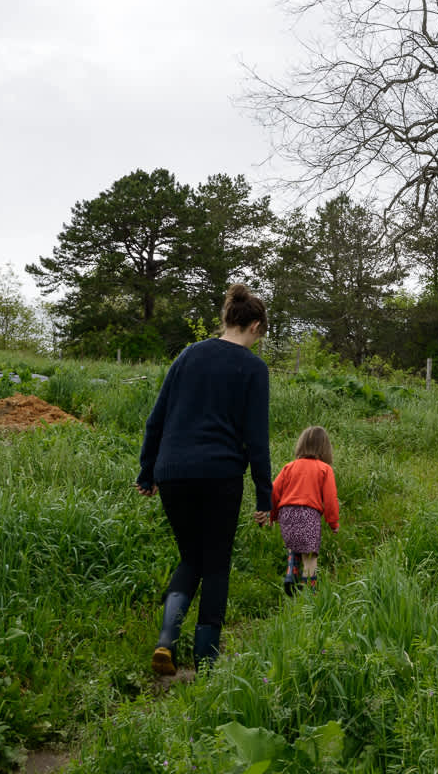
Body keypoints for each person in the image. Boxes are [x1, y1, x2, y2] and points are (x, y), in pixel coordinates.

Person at [136, 283, 272, 675]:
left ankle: (166, 641)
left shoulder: (188, 355)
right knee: (215, 563)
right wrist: (265, 497)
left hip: (173, 472)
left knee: (190, 556)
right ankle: (207, 661)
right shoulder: (252, 368)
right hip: (219, 474)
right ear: (255, 326)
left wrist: (148, 472)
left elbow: (156, 419)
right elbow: (256, 440)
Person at [270, 425, 339, 594]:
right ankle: (309, 594)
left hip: (286, 513)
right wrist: (333, 523)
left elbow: (273, 492)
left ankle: (291, 573)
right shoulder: (324, 469)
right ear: (325, 448)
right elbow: (330, 499)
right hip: (308, 514)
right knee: (310, 556)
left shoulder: (289, 467)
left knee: (295, 543)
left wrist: (273, 515)